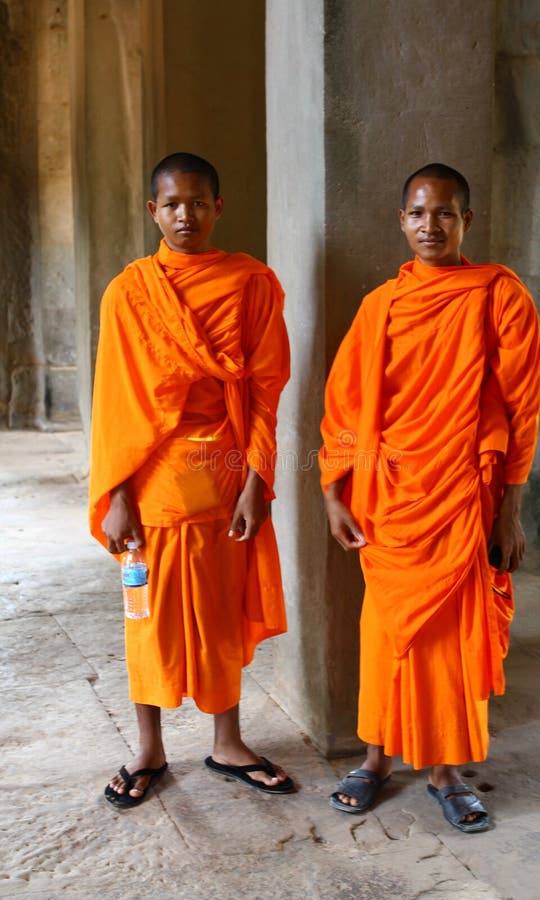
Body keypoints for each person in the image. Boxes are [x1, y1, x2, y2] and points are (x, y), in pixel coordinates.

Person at [319, 163, 540, 832]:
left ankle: (447, 771)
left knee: (449, 641)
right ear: (401, 221)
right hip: (390, 499)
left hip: (464, 499)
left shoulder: (497, 296)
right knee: (385, 633)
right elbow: (347, 410)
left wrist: (510, 508)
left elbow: (521, 408)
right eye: (418, 213)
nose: (430, 225)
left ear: (465, 221)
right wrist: (336, 494)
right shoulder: (380, 306)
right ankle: (376, 759)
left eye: (444, 213)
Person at [89, 152, 293, 807]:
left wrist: (256, 482)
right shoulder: (129, 291)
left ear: (218, 208)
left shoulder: (250, 282)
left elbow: (266, 391)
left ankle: (227, 741)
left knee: (219, 617)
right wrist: (116, 495)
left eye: (199, 202)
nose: (186, 215)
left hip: (223, 479)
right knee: (145, 618)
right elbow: (116, 404)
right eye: (172, 204)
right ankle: (149, 749)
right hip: (149, 490)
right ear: (154, 211)